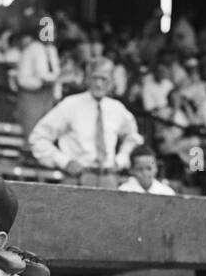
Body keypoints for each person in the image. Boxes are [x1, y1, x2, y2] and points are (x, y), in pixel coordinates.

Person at [29, 57, 142, 188]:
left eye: (104, 79)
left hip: (109, 178)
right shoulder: (70, 104)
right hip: (78, 178)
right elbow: (38, 137)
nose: (99, 84)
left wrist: (121, 159)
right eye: (95, 78)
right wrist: (64, 161)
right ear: (87, 79)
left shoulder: (117, 108)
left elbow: (133, 138)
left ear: (111, 81)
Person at [12, 30, 61, 137]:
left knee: (47, 133)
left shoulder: (52, 50)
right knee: (31, 133)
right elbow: (22, 79)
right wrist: (40, 84)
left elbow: (56, 75)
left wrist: (57, 94)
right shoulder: (30, 50)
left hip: (48, 99)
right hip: (31, 98)